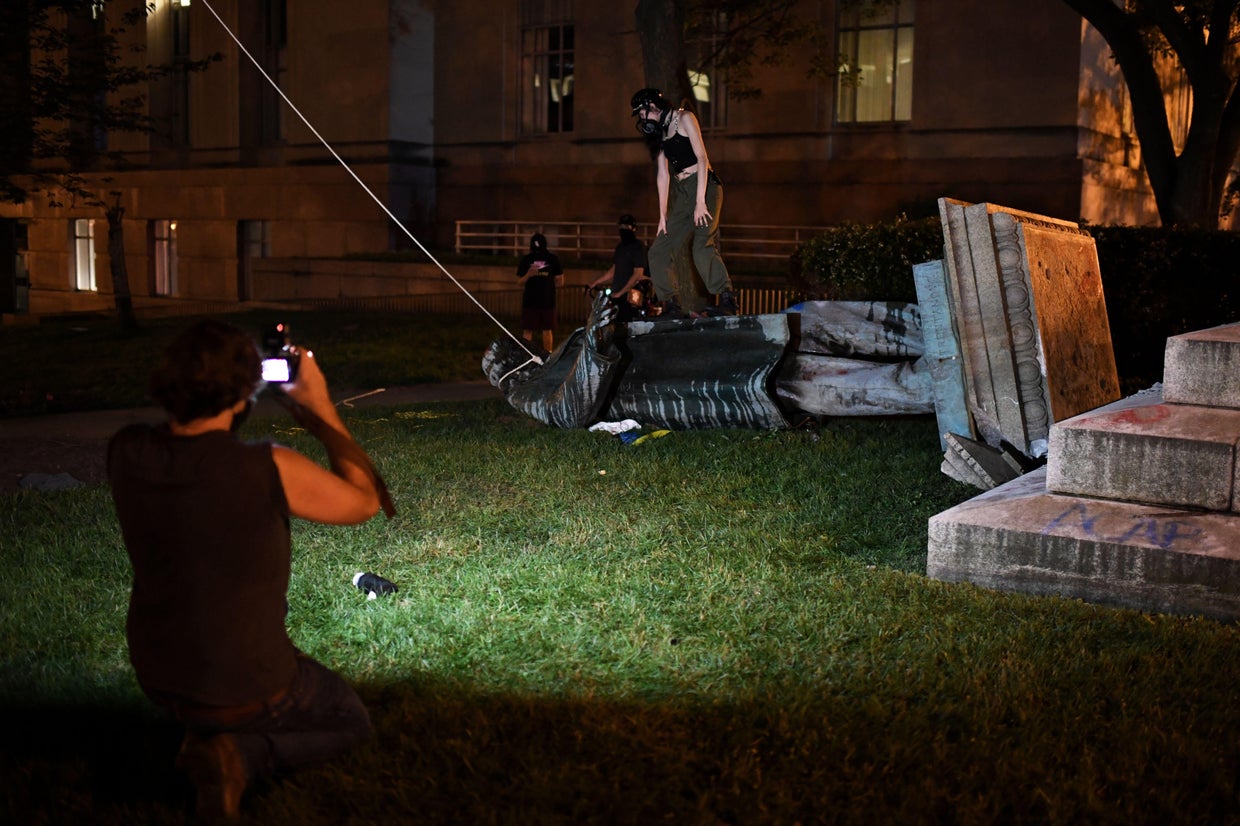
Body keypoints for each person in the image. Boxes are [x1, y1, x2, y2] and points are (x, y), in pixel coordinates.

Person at [107, 320, 383, 820]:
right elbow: (365, 501)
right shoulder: (266, 467)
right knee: (351, 721)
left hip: (158, 674)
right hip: (247, 684)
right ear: (245, 391)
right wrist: (320, 410)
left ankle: (202, 732)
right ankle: (240, 755)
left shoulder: (126, 451)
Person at [630, 87, 737, 318]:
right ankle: (671, 306)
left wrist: (700, 201)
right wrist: (662, 215)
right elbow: (663, 175)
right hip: (683, 195)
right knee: (658, 250)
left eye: (642, 114)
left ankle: (727, 298)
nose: (642, 120)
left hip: (705, 187)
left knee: (701, 246)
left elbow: (702, 158)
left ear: (653, 108)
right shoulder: (659, 135)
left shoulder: (685, 118)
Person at [586, 213, 650, 321]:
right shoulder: (620, 247)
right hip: (617, 295)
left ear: (634, 229)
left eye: (627, 227)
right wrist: (594, 283)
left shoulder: (638, 247)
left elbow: (637, 274)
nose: (623, 229)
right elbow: (614, 270)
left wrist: (621, 293)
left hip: (631, 297)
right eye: (621, 227)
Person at [516, 232, 565, 352]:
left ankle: (547, 355)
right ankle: (528, 356)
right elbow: (519, 282)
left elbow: (560, 280)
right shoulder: (528, 260)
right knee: (529, 330)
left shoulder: (552, 259)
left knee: (546, 330)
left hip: (546, 301)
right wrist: (528, 275)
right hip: (532, 301)